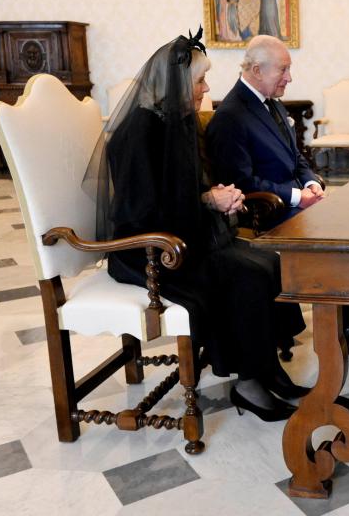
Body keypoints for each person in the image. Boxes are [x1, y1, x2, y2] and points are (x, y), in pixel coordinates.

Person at [86, 31, 308, 423]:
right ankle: (249, 384)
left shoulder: (177, 120)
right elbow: (144, 210)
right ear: (173, 86)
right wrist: (208, 200)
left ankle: (268, 368)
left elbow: (184, 190)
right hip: (148, 250)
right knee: (246, 275)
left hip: (183, 234)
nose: (206, 90)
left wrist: (213, 193)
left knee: (269, 262)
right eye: (200, 82)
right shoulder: (136, 133)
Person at [206, 34, 349, 361]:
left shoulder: (273, 104)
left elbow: (298, 158)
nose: (289, 78)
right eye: (283, 70)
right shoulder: (231, 116)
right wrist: (297, 197)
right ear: (256, 69)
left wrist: (313, 183)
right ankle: (343, 331)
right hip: (264, 212)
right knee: (332, 237)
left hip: (291, 202)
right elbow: (239, 182)